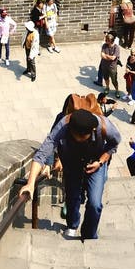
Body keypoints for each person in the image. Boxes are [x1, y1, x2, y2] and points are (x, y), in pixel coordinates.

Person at [23, 109, 121, 240]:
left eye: (82, 138)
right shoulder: (63, 126)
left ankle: (89, 235)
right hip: (71, 162)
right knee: (72, 196)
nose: (79, 140)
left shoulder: (105, 127)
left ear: (92, 130)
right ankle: (72, 225)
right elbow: (42, 154)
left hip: (95, 163)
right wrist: (30, 183)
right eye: (76, 137)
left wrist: (101, 161)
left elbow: (113, 145)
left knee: (95, 203)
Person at [100, 32, 121, 97]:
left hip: (112, 67)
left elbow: (113, 58)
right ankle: (107, 87)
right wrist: (109, 57)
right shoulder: (104, 45)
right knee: (106, 78)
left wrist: (106, 56)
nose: (105, 41)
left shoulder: (116, 48)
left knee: (114, 80)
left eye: (107, 40)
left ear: (111, 41)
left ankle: (117, 90)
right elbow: (102, 55)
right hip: (104, 66)